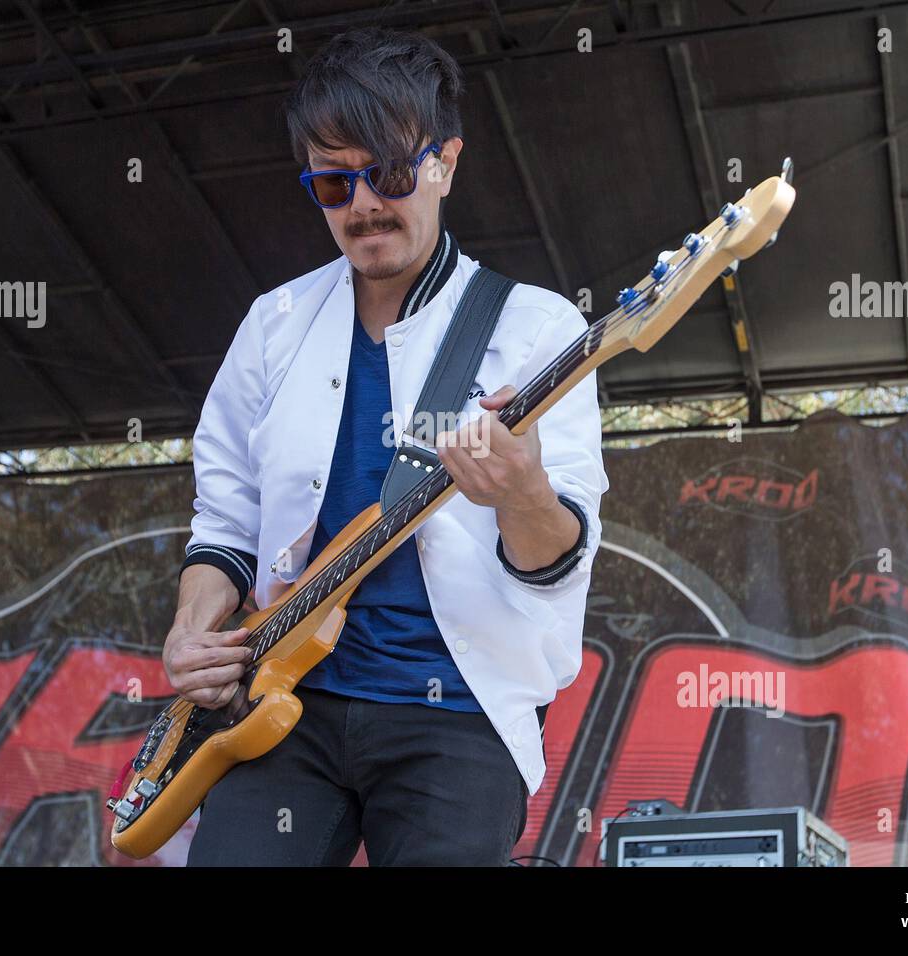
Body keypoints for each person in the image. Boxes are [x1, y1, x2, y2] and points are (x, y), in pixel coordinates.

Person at [167, 25, 607, 866]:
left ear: (445, 162)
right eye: (334, 183)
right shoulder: (274, 326)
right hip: (281, 702)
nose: (365, 204)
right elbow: (222, 527)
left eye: (394, 174)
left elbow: (560, 556)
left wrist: (520, 495)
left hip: (459, 714)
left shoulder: (537, 327)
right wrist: (192, 631)